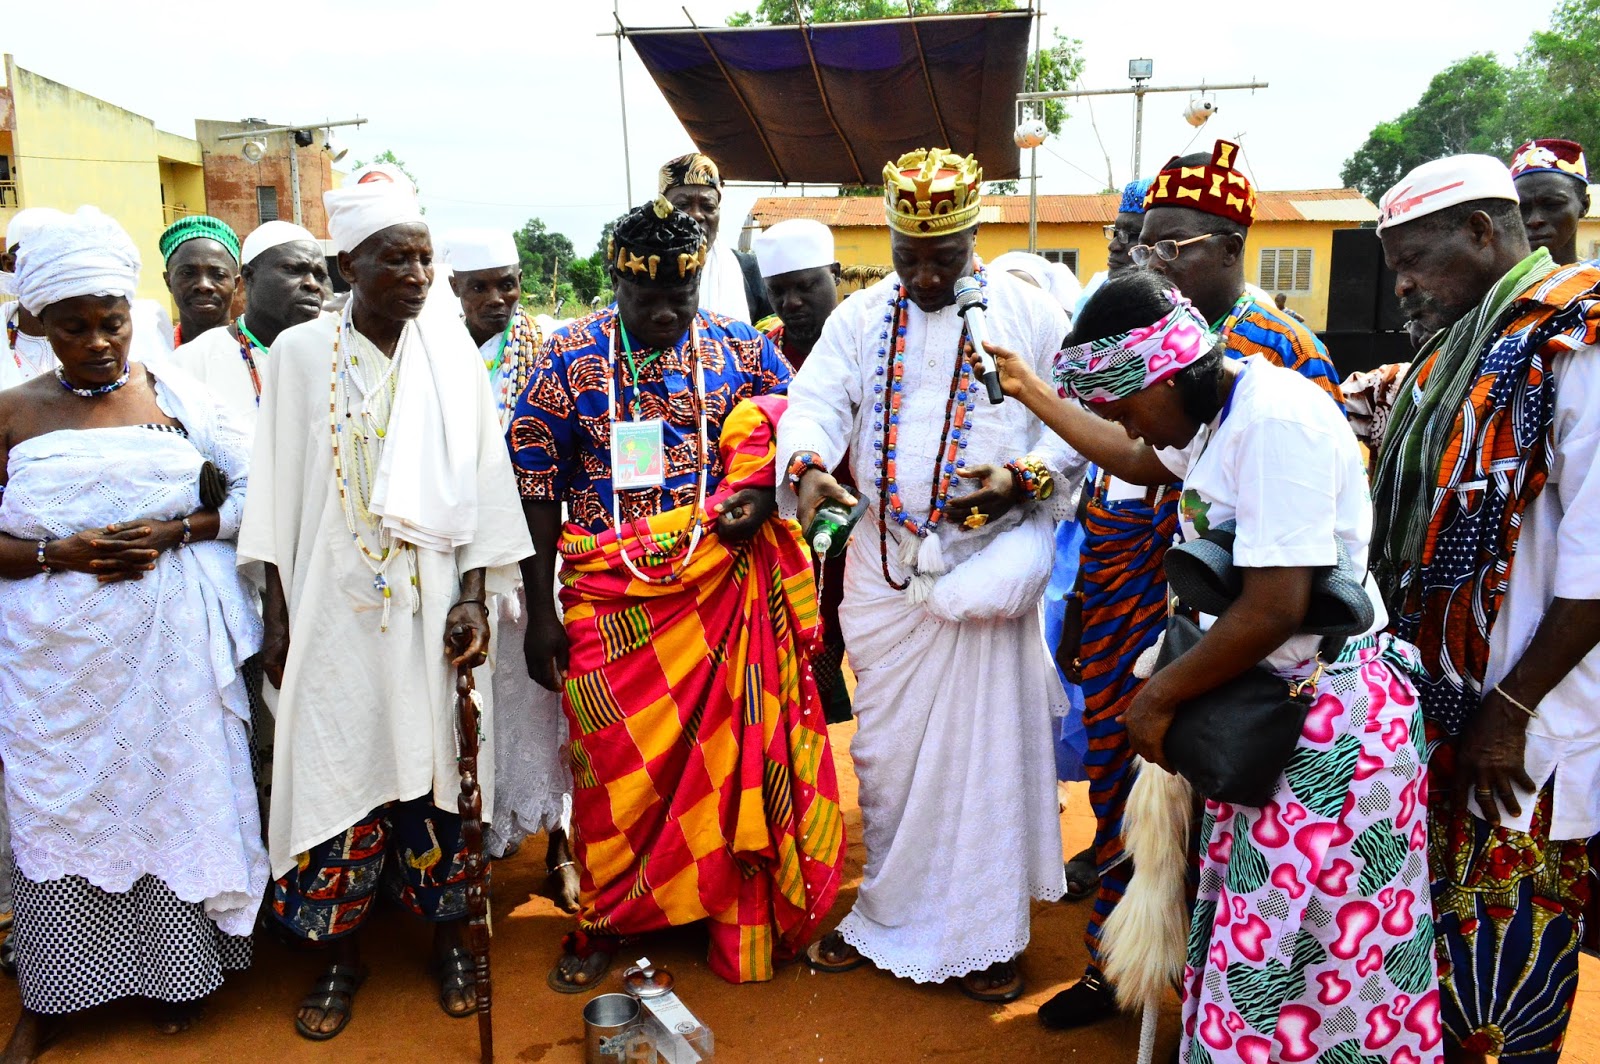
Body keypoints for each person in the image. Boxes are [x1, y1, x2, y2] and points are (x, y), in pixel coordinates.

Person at [987, 267, 1440, 1063]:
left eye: (1126, 405)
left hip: (1323, 731)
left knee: (1314, 966)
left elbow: (1275, 607)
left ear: (1164, 375)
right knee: (1264, 948)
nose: (1130, 427)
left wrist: (1156, 700)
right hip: (1266, 714)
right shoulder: (1212, 413)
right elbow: (1135, 457)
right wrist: (1033, 394)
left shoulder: (1275, 421)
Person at [513, 196, 842, 990]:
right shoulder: (568, 356)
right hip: (605, 599)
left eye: (680, 297)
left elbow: (795, 427)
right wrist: (539, 612)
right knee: (608, 769)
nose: (665, 313)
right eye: (646, 298)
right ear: (616, 284)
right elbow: (534, 484)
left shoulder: (741, 348)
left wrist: (759, 493)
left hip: (719, 592)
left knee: (726, 761)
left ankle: (713, 903)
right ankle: (607, 916)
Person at [781, 148, 1081, 1003]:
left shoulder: (1027, 315)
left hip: (982, 572)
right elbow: (815, 402)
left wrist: (1020, 480)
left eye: (942, 258)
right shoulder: (859, 318)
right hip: (882, 573)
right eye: (908, 256)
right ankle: (887, 912)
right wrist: (808, 466)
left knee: (982, 762)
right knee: (886, 760)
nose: (923, 276)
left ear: (973, 238)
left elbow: (1076, 423)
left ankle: (984, 938)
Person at [237, 181, 531, 1040]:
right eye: (395, 259)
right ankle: (339, 957)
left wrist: (474, 598)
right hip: (331, 602)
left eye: (425, 259)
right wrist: (278, 619)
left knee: (445, 766)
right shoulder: (299, 356)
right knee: (333, 761)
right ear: (347, 267)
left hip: (435, 603)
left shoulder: (451, 355)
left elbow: (484, 483)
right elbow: (275, 492)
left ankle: (450, 942)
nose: (416, 275)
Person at [0, 206, 268, 1064]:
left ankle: (175, 978)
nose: (97, 343)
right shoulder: (11, 413)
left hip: (170, 660)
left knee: (169, 800)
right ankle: (52, 995)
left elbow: (253, 495)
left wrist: (174, 531)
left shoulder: (178, 396)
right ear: (39, 326)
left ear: (131, 313)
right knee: (58, 810)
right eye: (73, 327)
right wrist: (61, 552)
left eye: (111, 322)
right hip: (54, 672)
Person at [1371, 153, 1600, 1064]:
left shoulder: (1579, 340)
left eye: (1412, 261)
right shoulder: (1458, 350)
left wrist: (1509, 711)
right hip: (1442, 711)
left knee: (1498, 1008)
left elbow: (1597, 561)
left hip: (1528, 728)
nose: (1401, 285)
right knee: (1424, 977)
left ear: (1479, 231)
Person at [441, 228, 577, 908]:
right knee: (480, 699)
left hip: (537, 546)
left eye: (509, 284)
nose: (498, 298)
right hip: (460, 549)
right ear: (454, 289)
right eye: (481, 287)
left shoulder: (548, 348)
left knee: (547, 695)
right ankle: (484, 832)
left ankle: (562, 840)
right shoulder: (434, 353)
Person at [1139, 140, 1344, 407]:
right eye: (1146, 249)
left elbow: (1324, 434)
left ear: (1230, 250)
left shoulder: (1290, 350)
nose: (1153, 264)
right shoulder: (1143, 335)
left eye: (1171, 247)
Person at [751, 217, 853, 721]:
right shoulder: (759, 351)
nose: (791, 302)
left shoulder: (866, 340)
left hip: (866, 523)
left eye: (806, 286)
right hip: (786, 528)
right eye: (778, 291)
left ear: (835, 274)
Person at [171, 221, 329, 431]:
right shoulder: (192, 361)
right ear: (248, 276)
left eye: (320, 276)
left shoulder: (336, 352)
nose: (312, 284)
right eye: (293, 270)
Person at [659, 152, 772, 323]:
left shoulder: (749, 269)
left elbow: (771, 333)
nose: (696, 215)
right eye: (682, 205)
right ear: (661, 210)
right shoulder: (641, 269)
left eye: (708, 206)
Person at [1, 208, 69, 391]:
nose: (57, 268)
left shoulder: (110, 333)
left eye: (65, 258)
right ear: (10, 264)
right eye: (42, 258)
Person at [160, 215, 241, 347]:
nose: (203, 285)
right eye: (187, 273)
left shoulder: (260, 354)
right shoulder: (154, 355)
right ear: (168, 281)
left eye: (218, 275)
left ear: (236, 284)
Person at [1075, 177, 1151, 317]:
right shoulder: (1096, 291)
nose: (1113, 246)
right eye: (1115, 232)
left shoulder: (1182, 311)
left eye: (1131, 234)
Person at [1510, 138, 1592, 266]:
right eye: (1521, 208)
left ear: (1585, 205)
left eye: (1552, 205)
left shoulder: (1593, 277)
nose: (1534, 220)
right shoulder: (1497, 278)